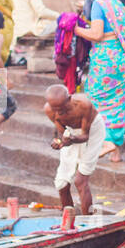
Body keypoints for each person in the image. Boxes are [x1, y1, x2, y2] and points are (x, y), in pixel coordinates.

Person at [75, 0, 125, 162]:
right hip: (124, 61)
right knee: (118, 103)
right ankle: (115, 152)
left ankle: (107, 141)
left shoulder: (99, 4)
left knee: (97, 100)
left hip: (106, 62)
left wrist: (75, 29)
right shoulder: (124, 6)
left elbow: (97, 34)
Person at [43, 84, 105, 216]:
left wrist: (70, 140)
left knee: (80, 181)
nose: (59, 112)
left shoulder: (83, 105)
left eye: (62, 108)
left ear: (69, 99)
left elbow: (85, 135)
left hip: (93, 130)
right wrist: (59, 143)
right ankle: (69, 219)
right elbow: (62, 132)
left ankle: (88, 222)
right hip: (71, 133)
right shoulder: (49, 110)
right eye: (55, 109)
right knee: (62, 183)